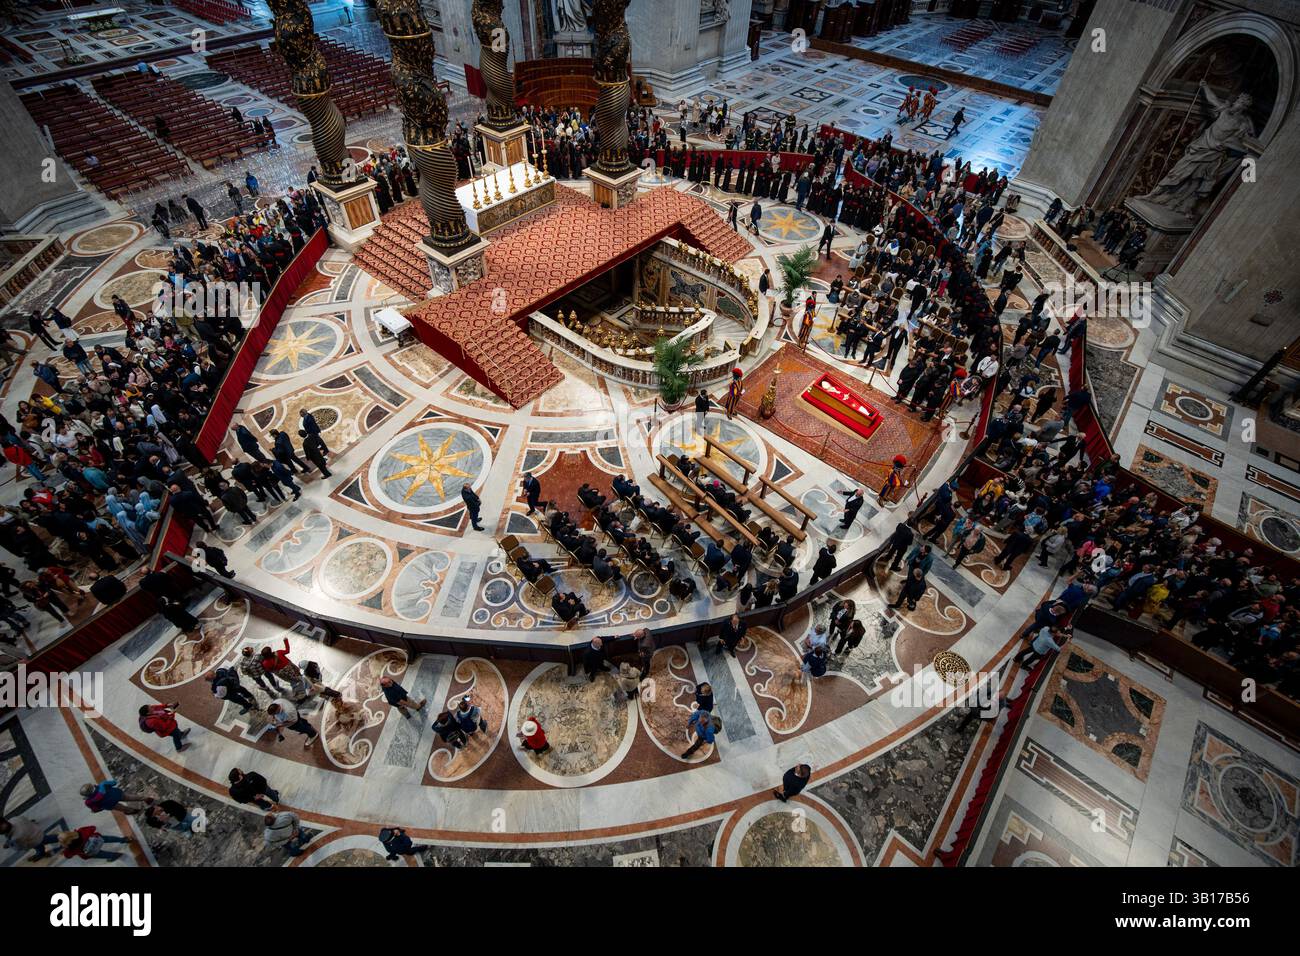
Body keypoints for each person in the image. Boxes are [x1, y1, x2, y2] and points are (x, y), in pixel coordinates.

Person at [58, 826, 133, 862]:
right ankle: (124, 840)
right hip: (97, 839)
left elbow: (68, 856)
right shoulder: (80, 831)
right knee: (109, 839)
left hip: (91, 850)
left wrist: (64, 850)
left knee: (101, 854)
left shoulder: (70, 850)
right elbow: (93, 828)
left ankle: (114, 855)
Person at [80, 779, 153, 816]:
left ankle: (134, 811)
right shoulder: (102, 785)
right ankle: (146, 799)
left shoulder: (89, 802)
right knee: (130, 797)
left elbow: (95, 809)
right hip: (116, 794)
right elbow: (114, 782)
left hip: (109, 805)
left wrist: (98, 809)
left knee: (122, 808)